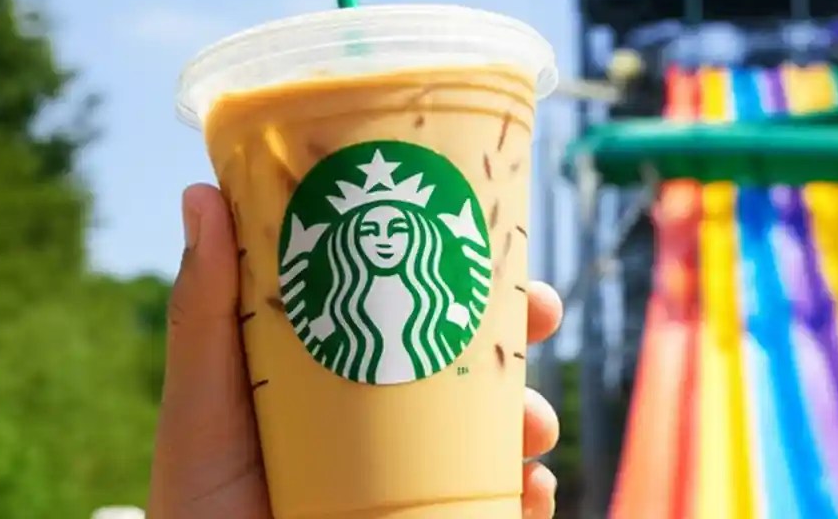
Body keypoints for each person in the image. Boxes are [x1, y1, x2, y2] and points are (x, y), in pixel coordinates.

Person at [148, 184, 561, 518]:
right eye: (369, 230)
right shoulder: (338, 313)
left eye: (397, 229)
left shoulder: (440, 307)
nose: (384, 241)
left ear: (420, 235)